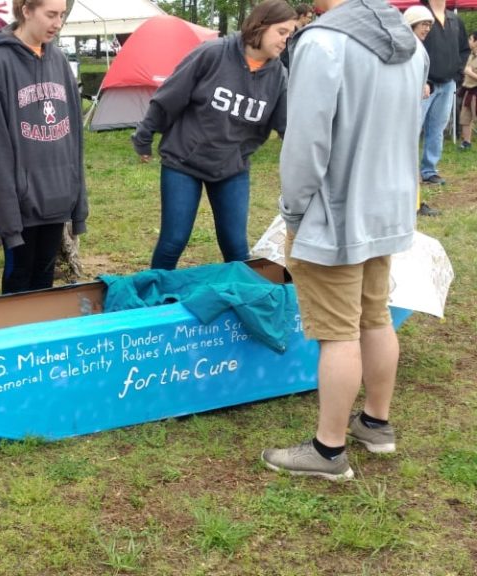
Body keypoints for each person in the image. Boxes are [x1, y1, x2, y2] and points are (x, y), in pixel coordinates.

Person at [261, 0, 427, 481]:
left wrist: (294, 208)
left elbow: (306, 140)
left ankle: (328, 450)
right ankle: (376, 421)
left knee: (339, 333)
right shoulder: (411, 44)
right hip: (387, 206)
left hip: (334, 212)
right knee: (374, 316)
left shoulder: (323, 42)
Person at [131, 0, 297, 271]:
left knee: (235, 246)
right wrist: (144, 136)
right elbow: (169, 96)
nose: (285, 40)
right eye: (281, 32)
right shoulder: (212, 54)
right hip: (184, 162)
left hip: (232, 167)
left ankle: (239, 299)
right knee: (174, 240)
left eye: (290, 34)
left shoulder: (278, 75)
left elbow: (288, 127)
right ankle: (155, 297)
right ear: (261, 26)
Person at [0, 0, 88, 295]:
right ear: (26, 10)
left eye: (61, 15)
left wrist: (77, 204)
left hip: (57, 199)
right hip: (21, 206)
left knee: (45, 277)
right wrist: (8, 219)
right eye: (51, 14)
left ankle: (43, 339)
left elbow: (74, 136)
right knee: (18, 281)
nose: (58, 23)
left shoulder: (59, 61)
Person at [419, 0, 469, 185]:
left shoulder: (454, 19)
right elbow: (410, 47)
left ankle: (429, 170)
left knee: (437, 129)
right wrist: (421, 78)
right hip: (423, 84)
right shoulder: (419, 14)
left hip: (447, 84)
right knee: (412, 128)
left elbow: (464, 50)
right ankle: (406, 172)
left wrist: (457, 73)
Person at [403, 5, 441, 217]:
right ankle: (412, 205)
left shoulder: (416, 47)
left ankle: (413, 203)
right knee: (407, 158)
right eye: (424, 24)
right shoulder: (409, 47)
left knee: (410, 157)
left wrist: (425, 84)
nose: (427, 29)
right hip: (403, 112)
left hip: (410, 108)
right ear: (411, 24)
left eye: (429, 24)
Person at [458, 31, 477, 150]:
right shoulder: (470, 55)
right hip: (467, 90)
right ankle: (466, 142)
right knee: (465, 118)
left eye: (470, 39)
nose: (469, 42)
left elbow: (468, 72)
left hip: (476, 91)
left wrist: (469, 72)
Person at [281, 3, 314, 69]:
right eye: (309, 17)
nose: (310, 20)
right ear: (302, 16)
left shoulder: (303, 31)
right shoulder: (290, 30)